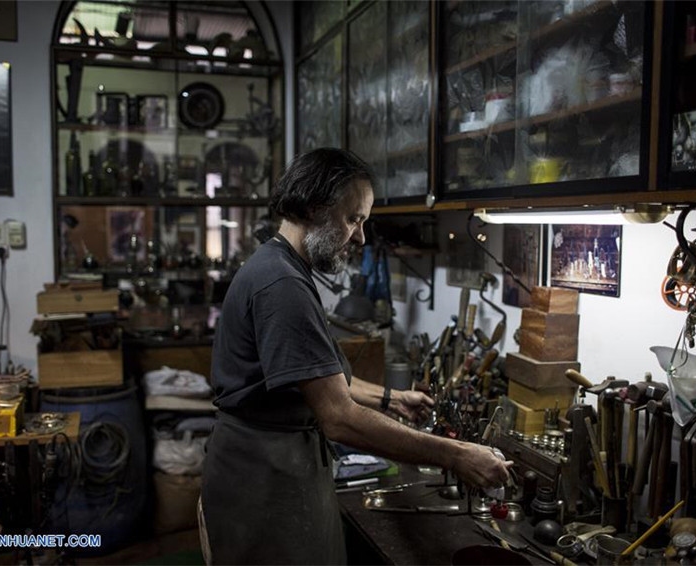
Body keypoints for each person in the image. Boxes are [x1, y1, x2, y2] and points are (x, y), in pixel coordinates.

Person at [200, 148, 512, 565]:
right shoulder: (282, 286)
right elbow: (338, 415)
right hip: (263, 479)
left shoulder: (282, 267)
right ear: (315, 207)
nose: (361, 237)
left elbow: (321, 378)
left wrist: (392, 399)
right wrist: (455, 455)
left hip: (268, 464)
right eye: (354, 219)